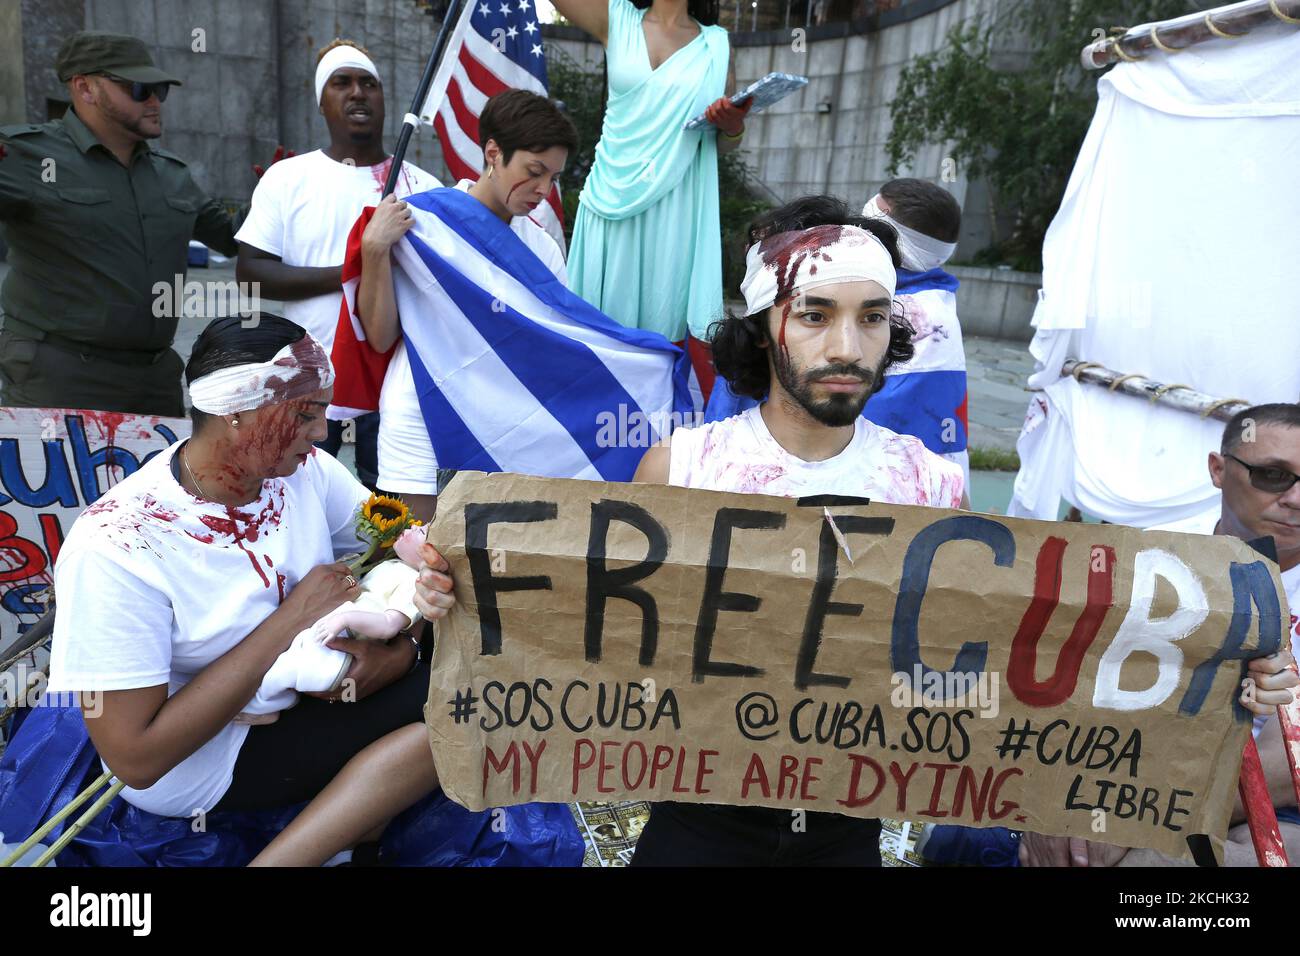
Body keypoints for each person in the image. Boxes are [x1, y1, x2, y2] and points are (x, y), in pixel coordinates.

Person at [43, 314, 438, 867]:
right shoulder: (117, 544)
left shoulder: (306, 472)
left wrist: (404, 646)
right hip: (198, 760)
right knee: (454, 717)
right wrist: (291, 618)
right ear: (236, 411)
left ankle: (360, 823)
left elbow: (398, 540)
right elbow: (136, 759)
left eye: (323, 411)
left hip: (292, 696)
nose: (323, 432)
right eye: (305, 413)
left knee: (469, 673)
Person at [1021, 403, 1300, 867]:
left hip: (1259, 802)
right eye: (1273, 476)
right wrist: (1058, 803)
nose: (1295, 498)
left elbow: (1286, 765)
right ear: (1218, 469)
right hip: (1112, 768)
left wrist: (1133, 817)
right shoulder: (1141, 555)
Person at [354, 89, 577, 523]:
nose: (543, 190)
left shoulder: (544, 250)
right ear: (493, 152)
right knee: (412, 562)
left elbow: (550, 352)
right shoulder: (422, 223)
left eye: (553, 177)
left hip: (503, 425)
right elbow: (381, 336)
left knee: (483, 571)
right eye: (534, 172)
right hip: (420, 417)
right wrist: (374, 250)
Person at [0, 31, 239, 417]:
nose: (153, 101)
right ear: (85, 88)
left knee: (166, 480)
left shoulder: (170, 174)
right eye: (139, 88)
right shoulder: (26, 156)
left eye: (159, 90)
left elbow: (235, 237)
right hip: (56, 378)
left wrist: (284, 190)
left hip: (153, 380)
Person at [236, 39, 440, 489]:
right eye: (341, 83)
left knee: (389, 515)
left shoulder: (422, 188)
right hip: (304, 382)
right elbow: (252, 273)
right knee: (294, 499)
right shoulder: (289, 178)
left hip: (391, 385)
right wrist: (354, 269)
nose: (357, 93)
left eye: (369, 83)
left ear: (384, 99)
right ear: (322, 103)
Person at [705, 183, 971, 489]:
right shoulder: (685, 467)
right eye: (815, 317)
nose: (848, 350)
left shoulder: (937, 486)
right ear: (760, 328)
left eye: (872, 318)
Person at [551, 0, 749, 341]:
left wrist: (733, 126)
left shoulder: (717, 43)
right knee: (594, 337)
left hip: (674, 207)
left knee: (660, 343)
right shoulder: (614, 17)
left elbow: (724, 144)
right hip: (610, 198)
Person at [861, 178, 970, 488]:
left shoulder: (910, 311)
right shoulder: (932, 296)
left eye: (874, 214)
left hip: (895, 485)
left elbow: (882, 411)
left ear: (900, 242)